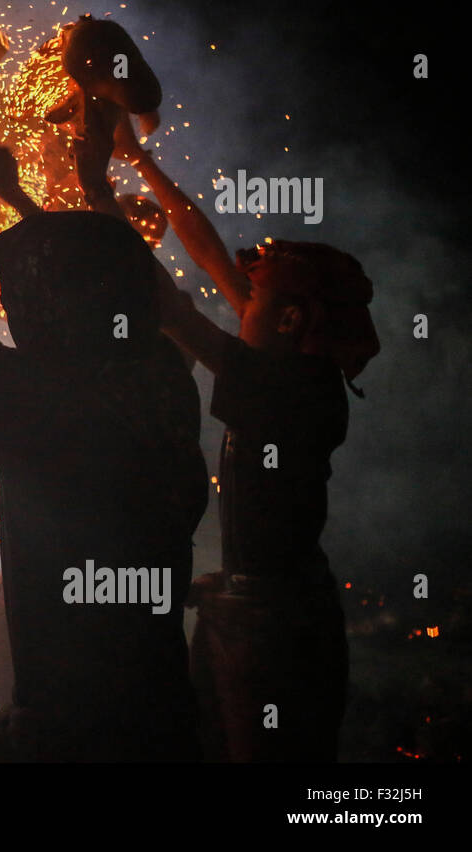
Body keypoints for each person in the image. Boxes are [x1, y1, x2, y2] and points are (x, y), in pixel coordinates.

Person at [0, 123, 207, 761]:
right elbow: (118, 281)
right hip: (161, 714)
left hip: (64, 729)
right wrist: (18, 196)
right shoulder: (165, 374)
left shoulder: (30, 398)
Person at [114, 120, 379, 761]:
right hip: (262, 606)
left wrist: (99, 197)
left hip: (273, 633)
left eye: (254, 296)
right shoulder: (291, 363)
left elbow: (172, 309)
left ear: (289, 320)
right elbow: (204, 250)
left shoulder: (282, 390)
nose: (240, 298)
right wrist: (138, 159)